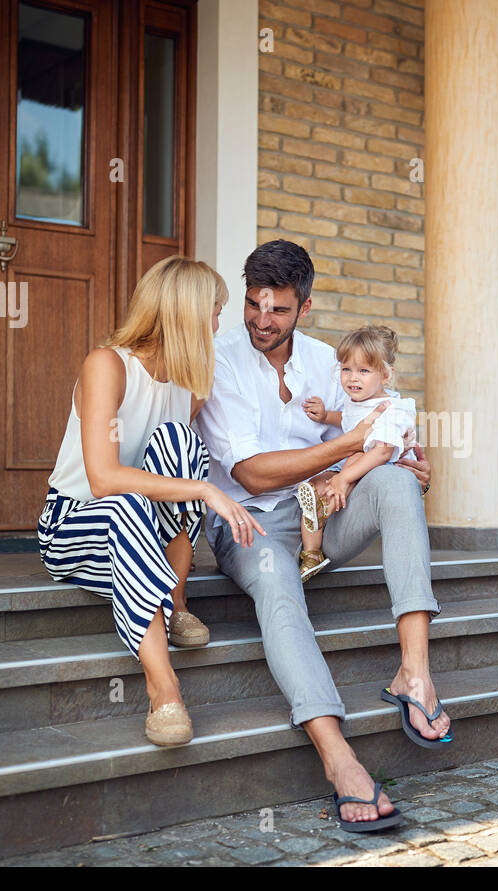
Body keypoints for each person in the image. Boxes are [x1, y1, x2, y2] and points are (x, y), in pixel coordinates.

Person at [194, 239, 452, 832]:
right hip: (248, 522)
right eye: (254, 304)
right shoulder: (220, 359)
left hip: (320, 514)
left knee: (396, 481)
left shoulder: (324, 361)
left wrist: (409, 457)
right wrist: (349, 448)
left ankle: (415, 674)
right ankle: (339, 761)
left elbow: (380, 419)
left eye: (279, 309)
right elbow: (252, 472)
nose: (263, 319)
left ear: (304, 308)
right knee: (277, 582)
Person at [37, 256, 266, 747]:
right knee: (126, 503)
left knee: (181, 443)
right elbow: (103, 479)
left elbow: (187, 466)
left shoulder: (187, 388)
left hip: (142, 531)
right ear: (187, 313)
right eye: (215, 310)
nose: (218, 322)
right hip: (74, 525)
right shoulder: (108, 365)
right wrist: (206, 490)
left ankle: (177, 602)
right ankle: (164, 690)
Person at [297, 324, 417, 582]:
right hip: (358, 466)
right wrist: (326, 415)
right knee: (314, 485)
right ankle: (311, 553)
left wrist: (344, 478)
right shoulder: (359, 401)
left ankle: (324, 510)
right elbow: (349, 420)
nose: (353, 378)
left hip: (384, 472)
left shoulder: (392, 408)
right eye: (347, 369)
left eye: (363, 370)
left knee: (348, 465)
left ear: (386, 375)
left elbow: (382, 453)